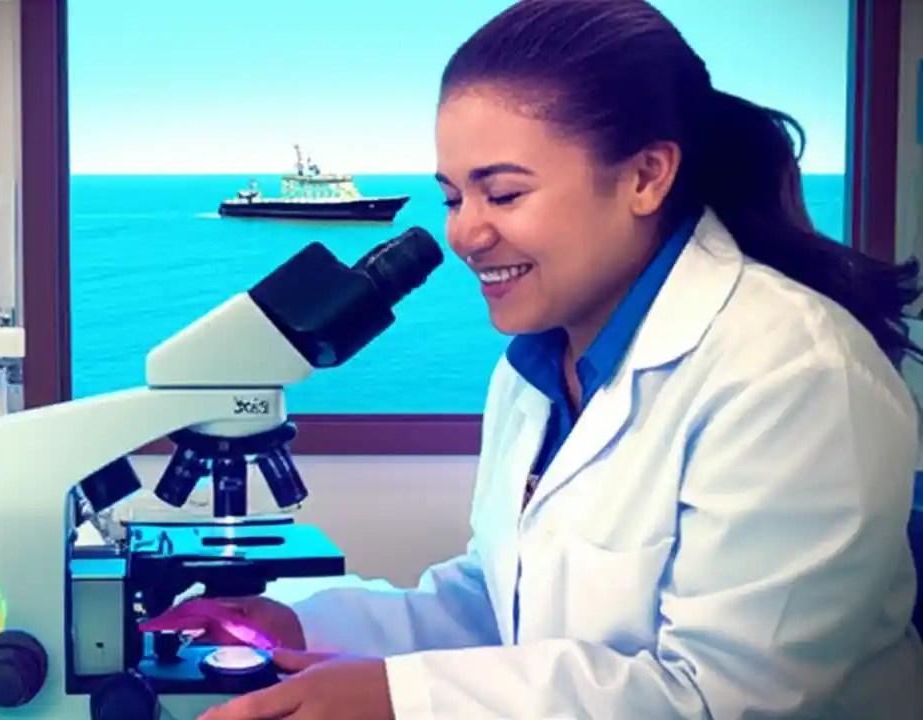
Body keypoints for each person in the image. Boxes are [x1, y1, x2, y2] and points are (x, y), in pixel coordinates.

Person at [143, 1, 923, 717]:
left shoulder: (795, 375)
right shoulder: (537, 369)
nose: (462, 234)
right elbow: (497, 604)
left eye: (504, 195)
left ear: (646, 176)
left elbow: (723, 698)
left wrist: (399, 700)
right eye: (452, 198)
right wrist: (296, 623)